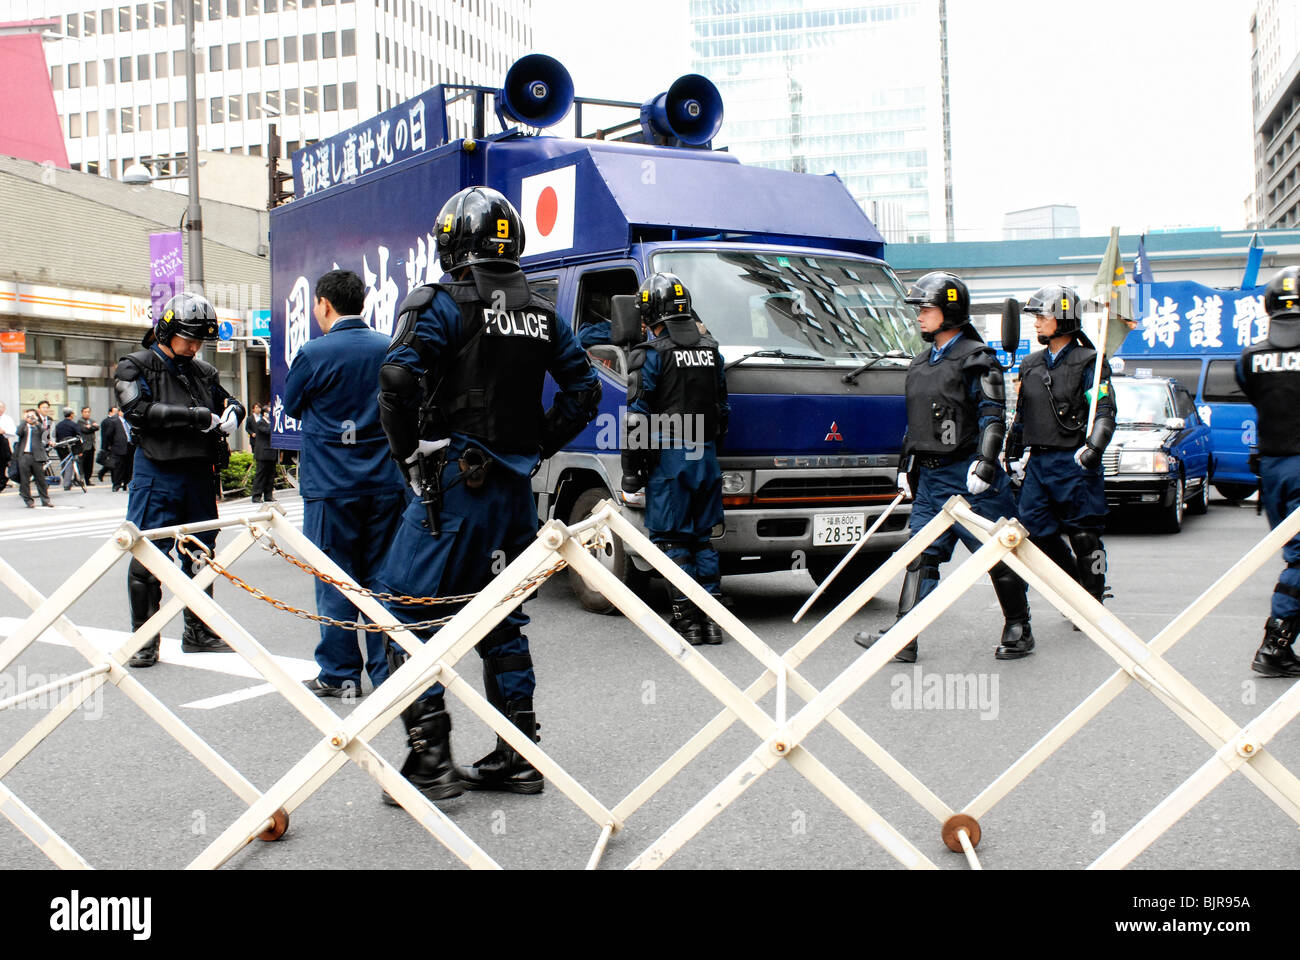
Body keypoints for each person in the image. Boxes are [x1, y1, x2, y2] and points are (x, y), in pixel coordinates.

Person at [374, 185, 601, 802]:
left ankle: (431, 761)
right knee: (502, 617)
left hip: (451, 487)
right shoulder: (542, 311)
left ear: (453, 244)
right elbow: (586, 394)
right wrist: (535, 445)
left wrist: (408, 455)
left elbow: (396, 379)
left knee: (404, 615)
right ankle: (518, 754)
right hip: (511, 494)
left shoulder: (440, 304)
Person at [855, 271, 1034, 661]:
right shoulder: (920, 363)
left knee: (996, 553)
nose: (919, 315)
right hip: (931, 477)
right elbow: (915, 420)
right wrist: (907, 463)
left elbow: (992, 415)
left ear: (949, 311)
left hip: (968, 474)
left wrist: (987, 462)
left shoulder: (977, 359)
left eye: (927, 308)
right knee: (921, 554)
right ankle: (904, 637)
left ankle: (1019, 625)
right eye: (918, 308)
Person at [283, 269, 408, 699]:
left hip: (331, 487)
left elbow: (294, 405)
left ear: (323, 304)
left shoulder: (314, 353)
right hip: (385, 484)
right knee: (381, 577)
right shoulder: (388, 346)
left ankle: (339, 674)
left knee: (335, 578)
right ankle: (385, 668)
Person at [115, 292, 245, 667]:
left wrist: (233, 412)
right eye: (188, 337)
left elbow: (227, 400)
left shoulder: (203, 371)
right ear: (167, 330)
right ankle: (144, 640)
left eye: (200, 339)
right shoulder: (134, 365)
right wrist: (195, 417)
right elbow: (137, 409)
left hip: (198, 473)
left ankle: (199, 631)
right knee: (148, 556)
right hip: (157, 470)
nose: (194, 345)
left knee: (201, 554)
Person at [620, 272, 730, 645]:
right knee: (702, 539)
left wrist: (631, 473)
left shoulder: (650, 354)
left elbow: (636, 418)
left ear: (651, 314)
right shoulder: (711, 350)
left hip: (669, 459)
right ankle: (713, 622)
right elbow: (723, 409)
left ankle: (687, 622)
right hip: (706, 456)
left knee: (672, 540)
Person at [1006, 284, 1116, 620]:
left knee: (1085, 536)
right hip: (1038, 463)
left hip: (1074, 462)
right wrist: (1011, 451)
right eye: (1035, 316)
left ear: (1064, 319)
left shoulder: (1090, 363)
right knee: (1035, 533)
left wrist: (1094, 448)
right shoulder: (1030, 364)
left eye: (1043, 316)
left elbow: (1104, 410)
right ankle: (1073, 586)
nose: (1036, 323)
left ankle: (1093, 598)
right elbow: (1022, 414)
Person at [1237, 266, 1300, 678]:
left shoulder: (1251, 358)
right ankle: (1274, 645)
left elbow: (1254, 392)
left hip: (1273, 471)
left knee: (1294, 552)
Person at [15, 409, 53, 508]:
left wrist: (36, 422)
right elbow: (18, 433)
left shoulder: (37, 426)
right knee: (25, 480)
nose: (30, 418)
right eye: (29, 416)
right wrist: (25, 421)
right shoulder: (23, 426)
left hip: (37, 456)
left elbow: (44, 433)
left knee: (41, 479)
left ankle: (45, 500)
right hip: (24, 455)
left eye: (32, 416)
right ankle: (28, 500)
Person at [246, 401, 277, 502]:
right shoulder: (260, 423)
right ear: (265, 414)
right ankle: (256, 496)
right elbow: (267, 431)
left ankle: (268, 496)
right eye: (269, 413)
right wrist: (275, 426)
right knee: (260, 475)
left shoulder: (273, 424)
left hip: (272, 453)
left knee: (270, 475)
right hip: (263, 454)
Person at [99, 406, 133, 491]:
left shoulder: (129, 421)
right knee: (118, 467)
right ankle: (116, 484)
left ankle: (126, 483)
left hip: (129, 447)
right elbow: (108, 435)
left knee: (129, 467)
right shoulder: (114, 422)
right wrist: (111, 445)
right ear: (120, 412)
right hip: (118, 448)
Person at [53, 408, 81, 489]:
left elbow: (54, 436)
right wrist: (80, 450)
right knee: (69, 464)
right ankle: (67, 483)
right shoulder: (74, 425)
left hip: (60, 447)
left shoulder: (58, 425)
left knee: (63, 463)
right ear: (71, 414)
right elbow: (78, 437)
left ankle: (65, 479)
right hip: (70, 447)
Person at [78, 407, 99, 486]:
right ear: (82, 413)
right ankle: (82, 480)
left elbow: (97, 427)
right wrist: (91, 427)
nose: (87, 413)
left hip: (92, 446)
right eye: (85, 412)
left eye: (88, 412)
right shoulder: (80, 421)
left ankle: (88, 479)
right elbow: (84, 430)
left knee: (90, 464)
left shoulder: (91, 420)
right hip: (84, 446)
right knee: (83, 464)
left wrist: (90, 426)